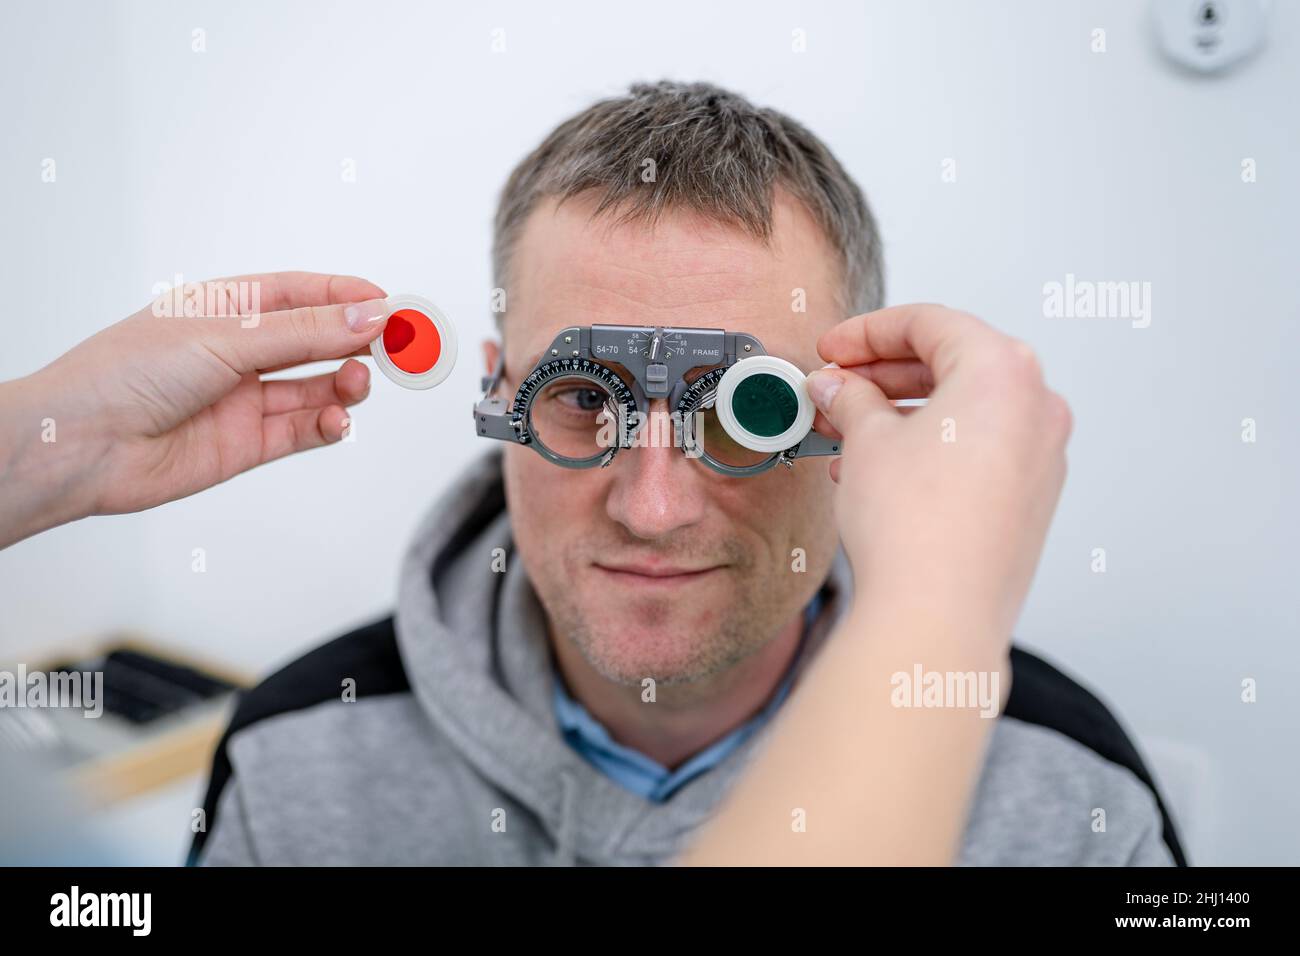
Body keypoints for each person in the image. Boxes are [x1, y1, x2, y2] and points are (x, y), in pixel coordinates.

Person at [0, 81, 1183, 867]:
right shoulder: (299, 757)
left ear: (858, 414)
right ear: (497, 391)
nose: (654, 504)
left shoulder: (1065, 788)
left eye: (747, 411)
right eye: (582, 400)